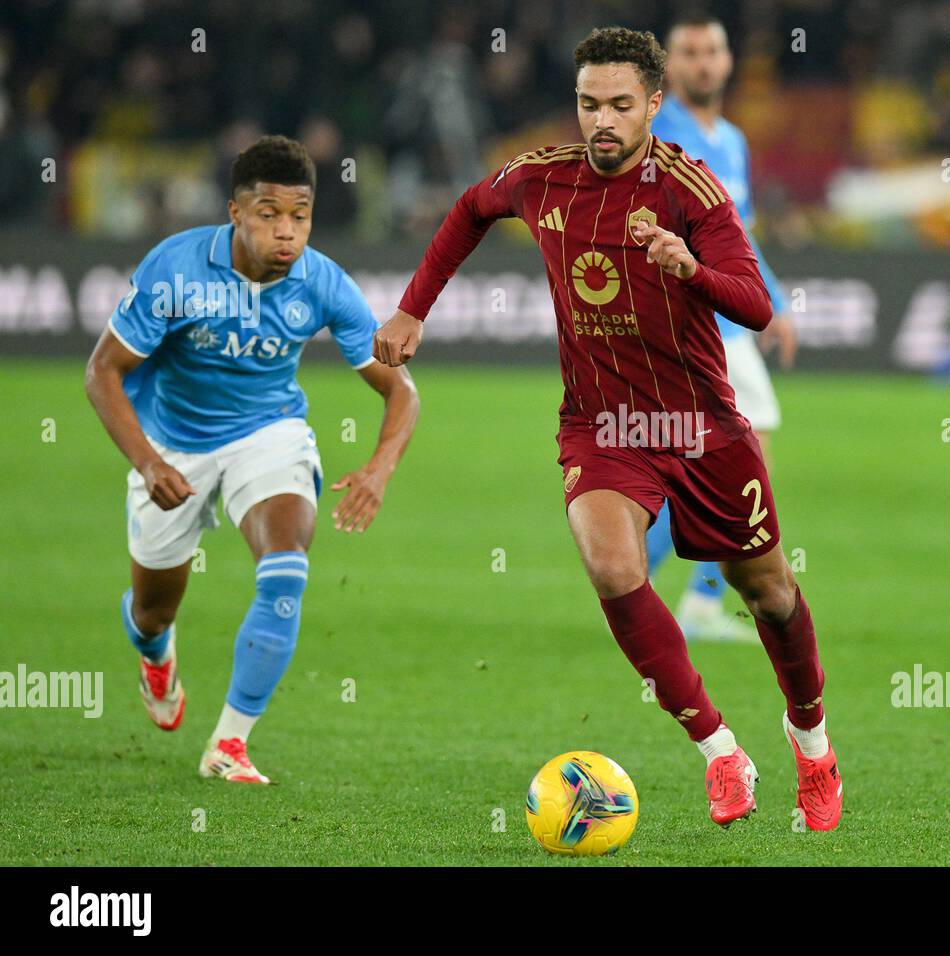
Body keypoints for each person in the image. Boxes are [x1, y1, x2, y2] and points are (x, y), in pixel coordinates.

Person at [373, 28, 841, 830]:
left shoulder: (691, 190)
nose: (603, 121)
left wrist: (690, 267)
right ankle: (720, 750)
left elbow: (757, 305)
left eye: (621, 105)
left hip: (701, 427)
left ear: (654, 106)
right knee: (615, 571)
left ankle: (811, 742)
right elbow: (470, 209)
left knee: (766, 592)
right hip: (603, 426)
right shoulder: (541, 178)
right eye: (590, 103)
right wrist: (415, 306)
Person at [85, 135, 419, 784]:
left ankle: (229, 743)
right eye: (269, 214)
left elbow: (399, 390)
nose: (286, 232)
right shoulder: (175, 267)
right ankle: (155, 653)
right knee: (153, 609)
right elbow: (103, 373)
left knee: (287, 566)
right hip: (171, 444)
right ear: (235, 213)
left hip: (268, 434)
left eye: (299, 216)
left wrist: (379, 469)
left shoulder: (322, 282)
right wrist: (149, 463)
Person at [648, 13, 798, 642]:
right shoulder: (659, 139)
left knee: (714, 462)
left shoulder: (731, 139)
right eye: (690, 52)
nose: (703, 62)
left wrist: (776, 302)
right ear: (670, 64)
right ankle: (673, 592)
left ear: (728, 59)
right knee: (740, 458)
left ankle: (659, 586)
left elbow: (740, 233)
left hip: (729, 323)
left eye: (712, 50)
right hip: (693, 322)